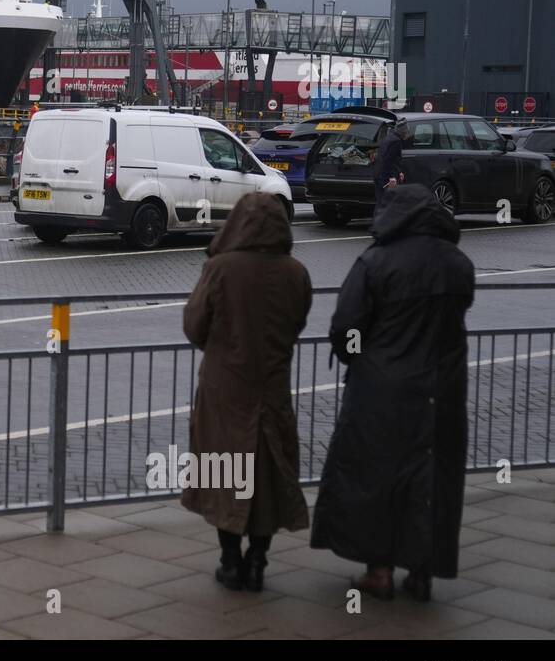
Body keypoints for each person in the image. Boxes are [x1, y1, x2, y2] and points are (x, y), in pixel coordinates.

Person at [311, 184, 475, 602]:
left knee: (375, 478)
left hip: (381, 391)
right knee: (431, 480)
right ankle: (422, 571)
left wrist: (359, 360)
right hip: (443, 388)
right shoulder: (458, 263)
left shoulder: (376, 261)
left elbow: (345, 328)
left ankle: (379, 572)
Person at [181, 193, 313, 591]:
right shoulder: (296, 272)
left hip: (224, 390)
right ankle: (257, 562)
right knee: (269, 477)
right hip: (272, 389)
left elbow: (194, 326)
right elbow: (297, 322)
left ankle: (229, 560)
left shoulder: (220, 268)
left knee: (224, 474)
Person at [373, 118, 409, 213]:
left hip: (378, 174)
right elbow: (388, 160)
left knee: (381, 202)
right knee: (389, 203)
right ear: (403, 132)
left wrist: (399, 172)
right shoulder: (396, 141)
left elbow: (391, 159)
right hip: (385, 176)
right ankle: (385, 225)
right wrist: (391, 177)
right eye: (407, 132)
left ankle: (378, 224)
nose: (408, 135)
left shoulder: (389, 138)